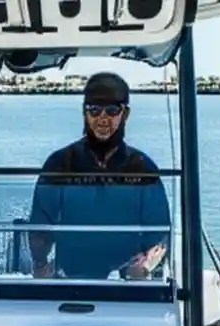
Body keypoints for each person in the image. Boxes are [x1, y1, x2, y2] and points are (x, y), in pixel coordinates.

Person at [28, 72, 172, 280]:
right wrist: (40, 264)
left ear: (125, 114)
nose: (103, 119)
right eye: (94, 110)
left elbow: (159, 235)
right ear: (84, 113)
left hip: (126, 281)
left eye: (112, 110)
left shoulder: (143, 168)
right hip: (68, 279)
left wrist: (144, 267)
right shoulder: (59, 164)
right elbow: (40, 227)